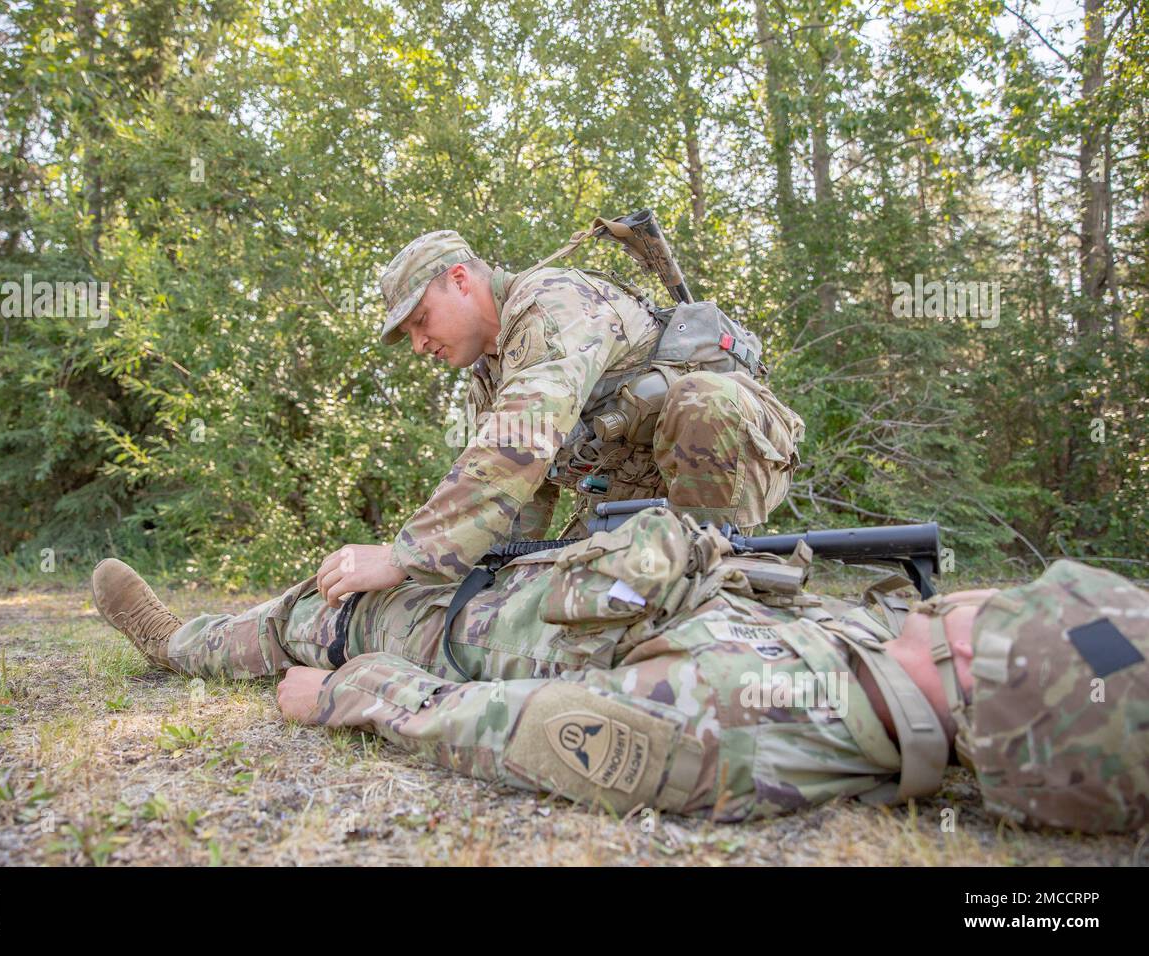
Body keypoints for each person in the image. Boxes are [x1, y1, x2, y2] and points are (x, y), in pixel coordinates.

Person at [91, 507, 1148, 833]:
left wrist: (351, 695)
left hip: (466, 643)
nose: (968, 596)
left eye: (996, 606)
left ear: (973, 656)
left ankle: (179, 642)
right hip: (566, 594)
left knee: (311, 618)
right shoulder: (892, 677)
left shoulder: (733, 727)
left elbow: (509, 723)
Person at [311, 229, 805, 606]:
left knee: (702, 400)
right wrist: (484, 578)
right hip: (632, 499)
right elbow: (521, 496)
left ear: (459, 281)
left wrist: (406, 556)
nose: (420, 345)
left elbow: (520, 440)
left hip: (724, 460)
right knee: (558, 601)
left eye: (421, 320)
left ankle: (720, 582)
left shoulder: (551, 301)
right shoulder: (489, 373)